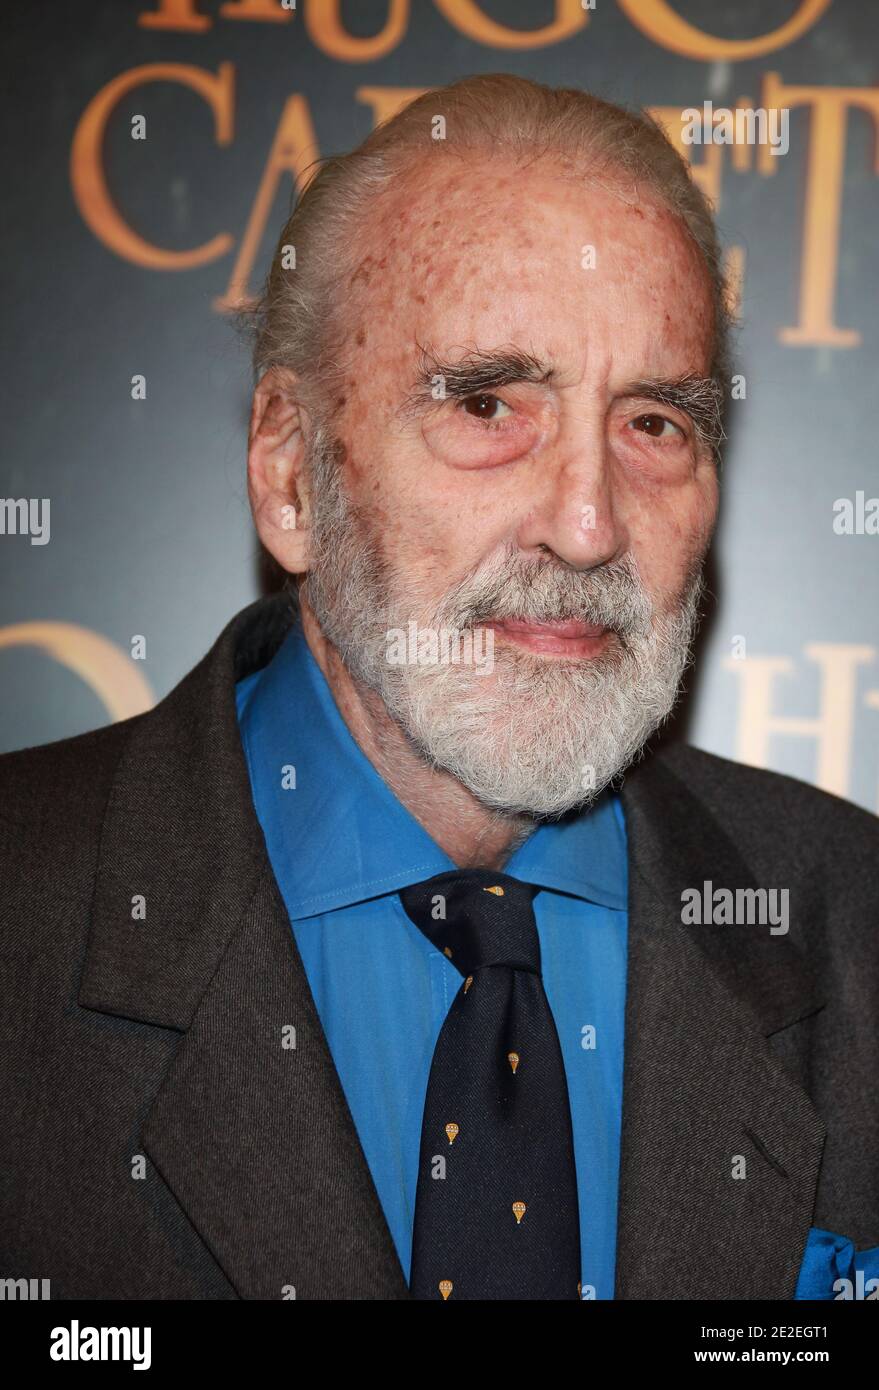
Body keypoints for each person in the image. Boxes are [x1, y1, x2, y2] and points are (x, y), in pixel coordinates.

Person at [1, 74, 877, 1301]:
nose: (586, 526)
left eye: (655, 424)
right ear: (293, 475)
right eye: (486, 403)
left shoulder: (853, 928)